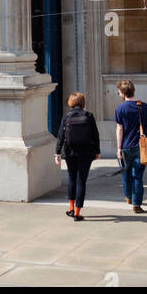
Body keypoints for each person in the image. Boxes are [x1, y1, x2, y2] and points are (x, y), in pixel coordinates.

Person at [54, 91, 100, 220]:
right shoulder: (89, 116)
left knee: (71, 179)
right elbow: (95, 135)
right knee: (81, 181)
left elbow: (61, 136)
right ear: (82, 102)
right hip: (86, 153)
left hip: (70, 152)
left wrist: (57, 152)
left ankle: (71, 208)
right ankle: (78, 212)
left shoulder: (67, 116)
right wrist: (97, 151)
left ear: (71, 103)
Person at [115, 78, 147, 213]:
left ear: (122, 92)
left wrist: (119, 148)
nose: (119, 94)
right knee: (137, 176)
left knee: (126, 173)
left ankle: (128, 196)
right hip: (142, 147)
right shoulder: (143, 106)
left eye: (118, 92)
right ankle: (136, 204)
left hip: (126, 147)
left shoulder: (120, 108)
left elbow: (120, 129)